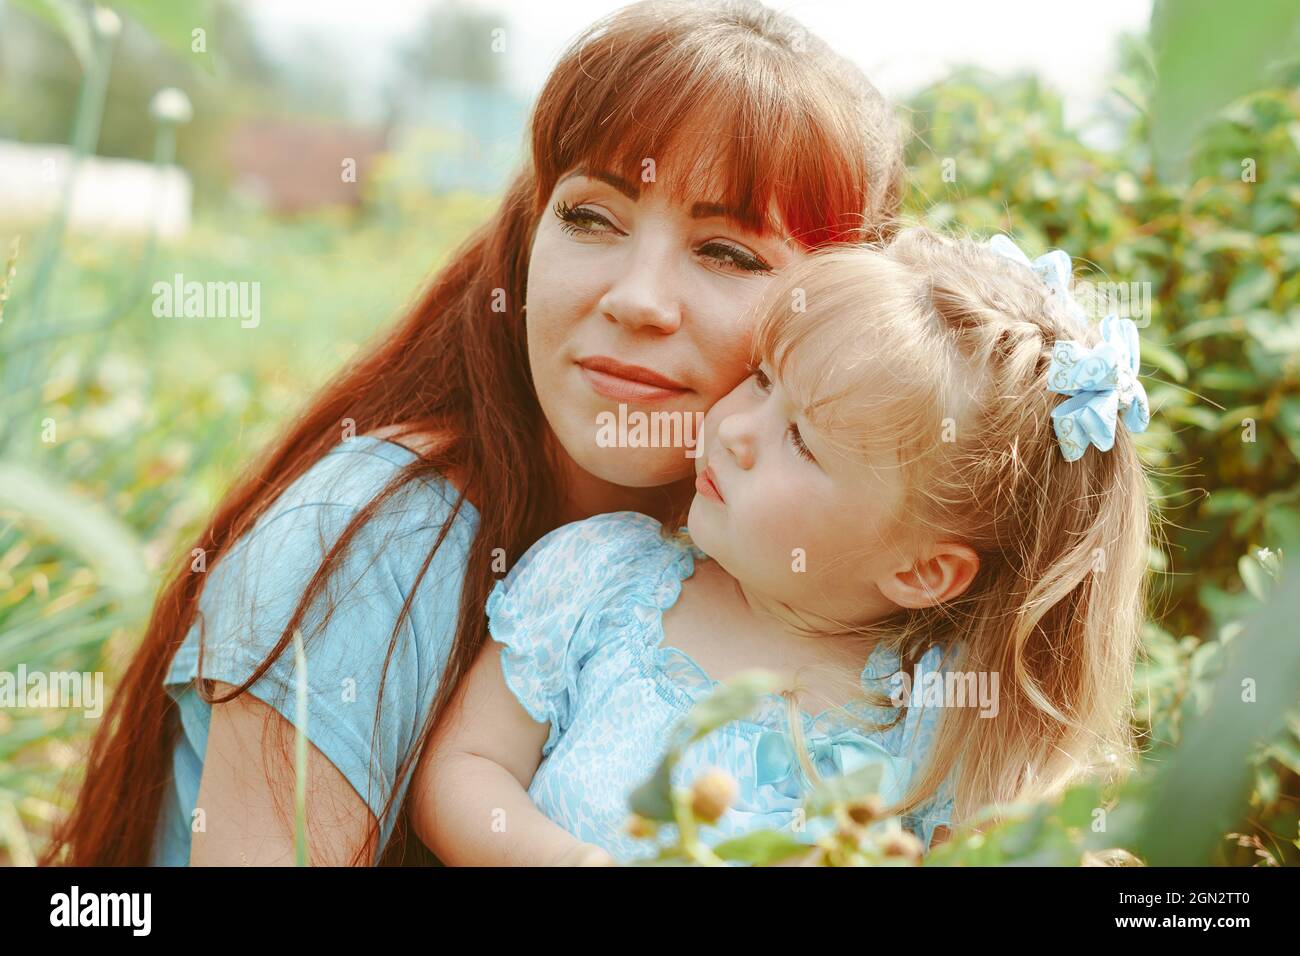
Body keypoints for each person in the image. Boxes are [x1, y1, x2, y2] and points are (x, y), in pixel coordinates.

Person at [42, 0, 907, 866]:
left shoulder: (798, 585)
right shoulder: (379, 538)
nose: (638, 298)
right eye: (591, 217)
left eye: (726, 253)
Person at [414, 228, 1152, 865]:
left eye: (800, 439)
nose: (735, 429)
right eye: (763, 378)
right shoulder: (600, 580)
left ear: (922, 570)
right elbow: (465, 769)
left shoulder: (942, 722)